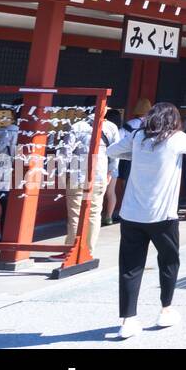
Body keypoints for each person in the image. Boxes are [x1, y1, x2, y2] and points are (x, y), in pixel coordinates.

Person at [104, 103, 186, 340]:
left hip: (131, 214)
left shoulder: (137, 136)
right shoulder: (176, 139)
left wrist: (133, 153)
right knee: (169, 261)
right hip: (163, 216)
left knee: (130, 267)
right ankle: (166, 309)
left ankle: (128, 320)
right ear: (174, 120)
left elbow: (111, 151)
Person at [62, 105, 120, 259]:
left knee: (75, 214)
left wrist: (64, 172)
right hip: (100, 173)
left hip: (77, 173)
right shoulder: (112, 128)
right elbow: (115, 154)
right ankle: (88, 251)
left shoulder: (77, 126)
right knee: (94, 213)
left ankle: (70, 251)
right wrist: (110, 173)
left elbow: (65, 152)